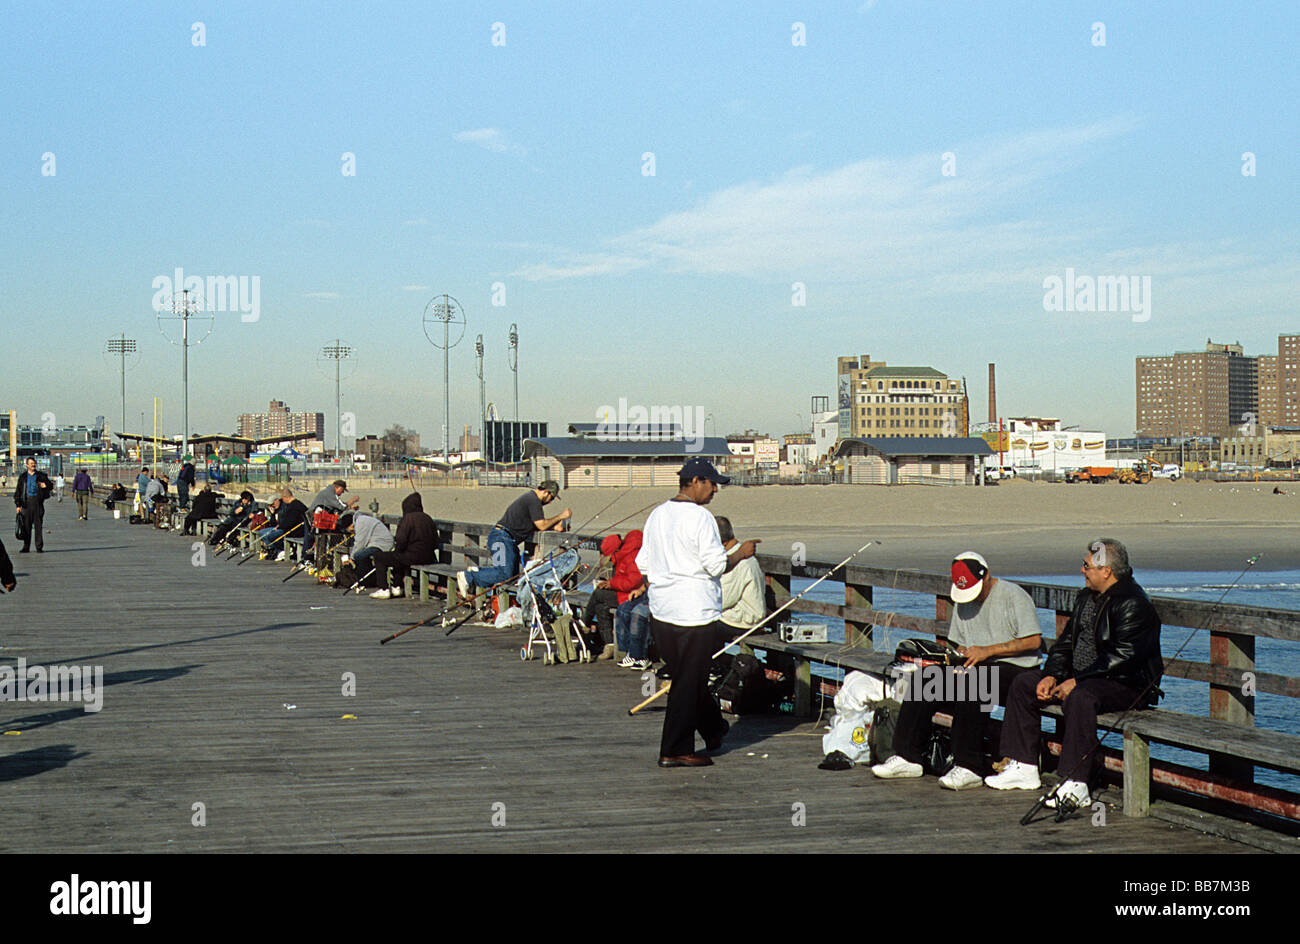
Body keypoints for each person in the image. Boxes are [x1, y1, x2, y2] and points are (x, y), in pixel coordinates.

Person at [985, 538, 1163, 811]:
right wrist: (1051, 675)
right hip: (1082, 677)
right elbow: (1066, 643)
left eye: (1086, 566)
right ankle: (1023, 765)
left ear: (1107, 571)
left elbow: (1124, 657)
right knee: (1024, 683)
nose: (1082, 570)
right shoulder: (1085, 597)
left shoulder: (1133, 604)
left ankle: (1076, 783)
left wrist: (1077, 681)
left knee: (1080, 697)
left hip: (1125, 684)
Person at [872, 551, 1043, 790]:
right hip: (976, 664)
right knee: (925, 679)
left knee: (974, 684)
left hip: (1018, 669)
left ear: (986, 576)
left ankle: (968, 765)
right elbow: (958, 643)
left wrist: (988, 651)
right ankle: (907, 756)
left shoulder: (1013, 595)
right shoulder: (963, 602)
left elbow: (1034, 642)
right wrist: (957, 657)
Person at [636, 458, 760, 768]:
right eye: (711, 482)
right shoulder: (701, 518)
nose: (716, 488)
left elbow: (643, 564)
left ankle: (714, 728)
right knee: (687, 683)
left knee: (686, 678)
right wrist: (741, 554)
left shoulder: (657, 514)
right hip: (695, 614)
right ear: (695, 482)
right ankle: (674, 749)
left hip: (662, 611)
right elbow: (717, 565)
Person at [456, 480, 571, 598]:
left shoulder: (530, 499)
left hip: (502, 539)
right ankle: (468, 577)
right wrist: (560, 516)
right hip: (502, 539)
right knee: (505, 574)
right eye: (551, 498)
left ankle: (477, 571)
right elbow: (541, 525)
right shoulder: (533, 501)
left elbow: (536, 525)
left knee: (512, 577)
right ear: (546, 492)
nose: (550, 502)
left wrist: (555, 527)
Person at [369, 492, 437, 599]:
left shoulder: (408, 519)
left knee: (380, 556)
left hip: (413, 557)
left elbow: (401, 541)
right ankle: (397, 587)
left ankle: (383, 589)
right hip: (429, 557)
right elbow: (435, 542)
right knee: (399, 557)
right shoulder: (428, 518)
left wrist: (399, 550)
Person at [715, 516, 766, 634]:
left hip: (744, 621)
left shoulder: (739, 561)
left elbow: (723, 601)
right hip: (734, 617)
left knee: (699, 627)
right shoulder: (735, 554)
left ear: (723, 543)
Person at [582, 534, 625, 659]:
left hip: (628, 596)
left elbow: (631, 582)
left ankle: (585, 623)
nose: (610, 560)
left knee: (598, 594)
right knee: (600, 606)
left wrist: (612, 584)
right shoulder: (621, 556)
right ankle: (609, 644)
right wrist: (610, 583)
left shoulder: (628, 557)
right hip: (622, 592)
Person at [13, 457, 54, 553]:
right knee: (26, 526)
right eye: (31, 463)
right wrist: (18, 505)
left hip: (38, 503)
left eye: (34, 463)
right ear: (27, 465)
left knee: (38, 526)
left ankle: (39, 547)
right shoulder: (23, 477)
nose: (33, 465)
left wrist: (45, 486)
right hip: (26, 503)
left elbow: (50, 485)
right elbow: (18, 491)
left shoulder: (41, 476)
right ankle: (26, 546)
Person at [342, 510, 395, 583]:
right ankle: (369, 577)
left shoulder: (361, 523)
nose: (352, 532)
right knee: (360, 555)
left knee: (358, 556)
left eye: (350, 530)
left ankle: (368, 579)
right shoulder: (361, 520)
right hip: (378, 543)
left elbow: (360, 543)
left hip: (382, 544)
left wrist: (351, 558)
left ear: (350, 525)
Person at [259, 488, 308, 560]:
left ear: (285, 497)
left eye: (283, 498)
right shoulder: (291, 505)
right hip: (286, 528)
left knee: (271, 536)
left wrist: (279, 526)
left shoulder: (294, 506)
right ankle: (278, 550)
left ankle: (283, 550)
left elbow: (290, 522)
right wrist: (273, 515)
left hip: (295, 531)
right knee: (262, 532)